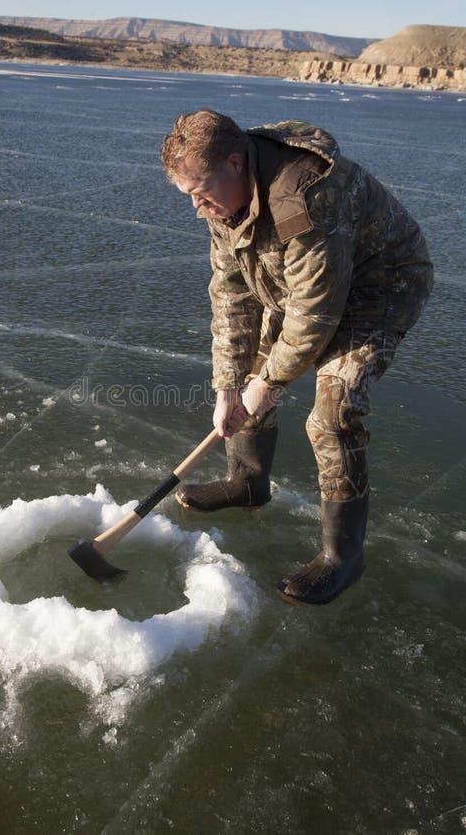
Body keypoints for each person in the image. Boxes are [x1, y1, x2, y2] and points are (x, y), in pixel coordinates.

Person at [160, 109, 433, 606]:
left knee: (332, 417)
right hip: (298, 285)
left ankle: (343, 558)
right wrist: (228, 387)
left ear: (236, 163)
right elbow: (231, 295)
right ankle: (246, 483)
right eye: (188, 197)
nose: (197, 207)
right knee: (243, 381)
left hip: (377, 288)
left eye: (202, 192)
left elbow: (315, 317)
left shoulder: (307, 197)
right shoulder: (222, 201)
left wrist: (265, 386)